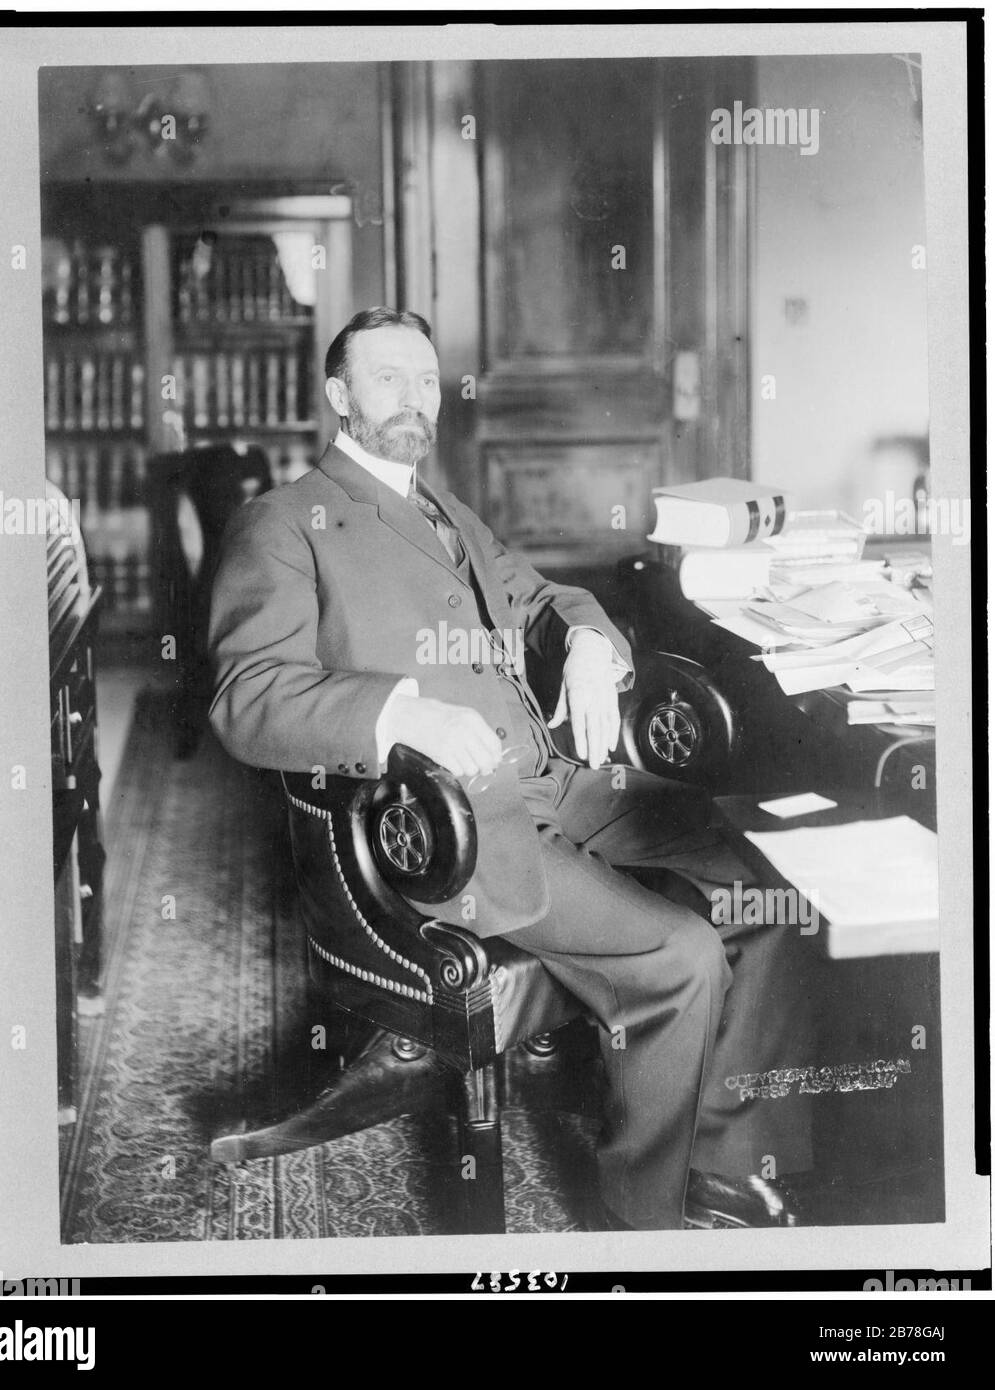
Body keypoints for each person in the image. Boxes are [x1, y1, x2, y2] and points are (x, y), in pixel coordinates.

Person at [208, 306, 812, 1230]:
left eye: (425, 380)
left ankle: (720, 1168)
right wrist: (395, 710)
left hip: (560, 779)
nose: (415, 400)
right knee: (680, 952)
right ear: (337, 396)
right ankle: (641, 1232)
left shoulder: (446, 509)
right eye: (386, 380)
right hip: (447, 827)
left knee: (776, 892)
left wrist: (583, 646)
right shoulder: (285, 522)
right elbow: (246, 698)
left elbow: (548, 596)